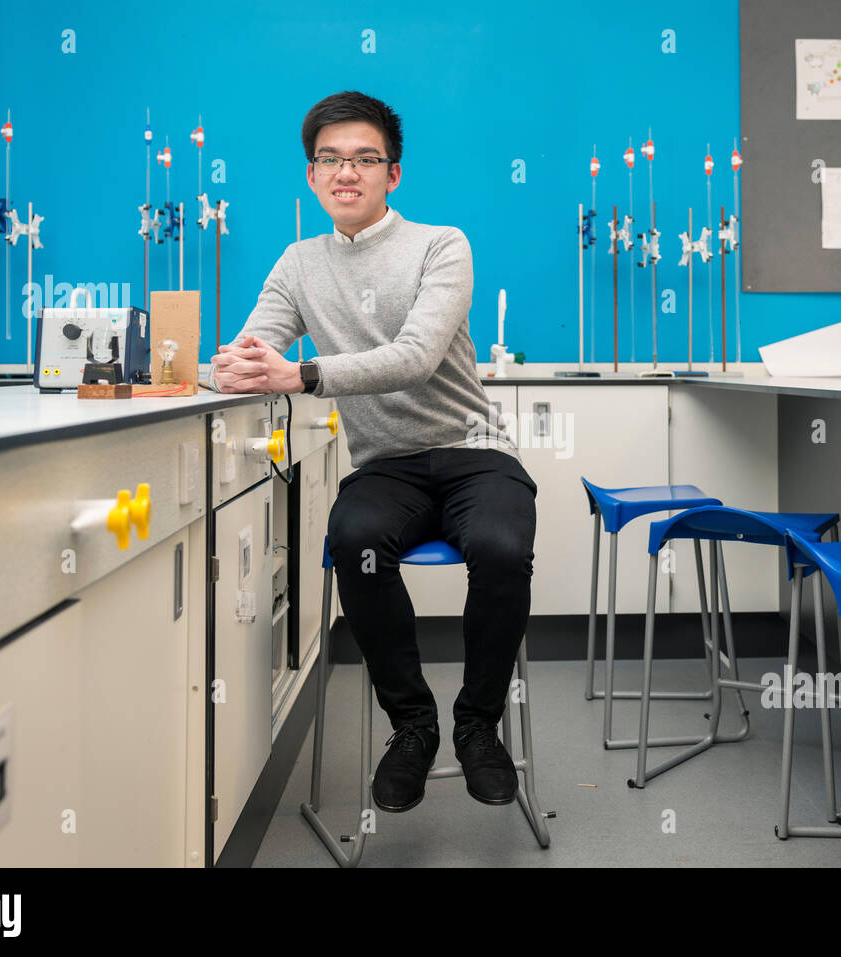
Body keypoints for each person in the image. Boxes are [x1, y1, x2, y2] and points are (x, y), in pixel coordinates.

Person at [211, 91, 537, 814]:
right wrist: (221, 367)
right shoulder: (299, 263)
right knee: (353, 538)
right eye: (330, 158)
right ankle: (413, 724)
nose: (346, 171)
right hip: (385, 466)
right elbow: (249, 349)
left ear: (394, 174)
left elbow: (416, 356)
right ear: (312, 175)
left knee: (502, 544)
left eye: (364, 158)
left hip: (472, 452)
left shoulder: (441, 245)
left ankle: (478, 722)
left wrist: (302, 374)